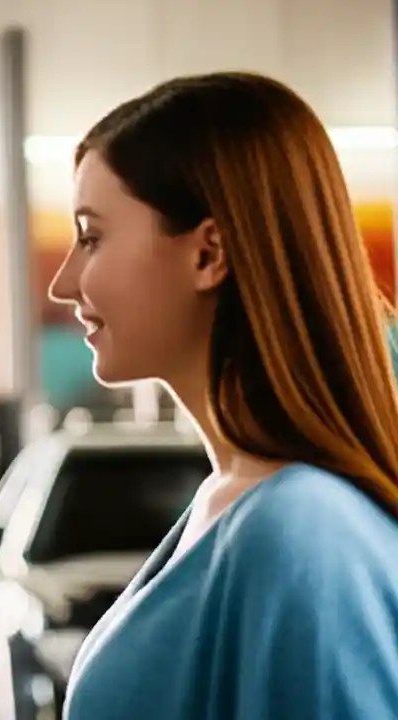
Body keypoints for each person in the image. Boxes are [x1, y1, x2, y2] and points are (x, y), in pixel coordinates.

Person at [47, 71, 398, 719]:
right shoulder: (226, 500)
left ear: (209, 253)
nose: (63, 283)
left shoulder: (301, 528)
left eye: (92, 236)